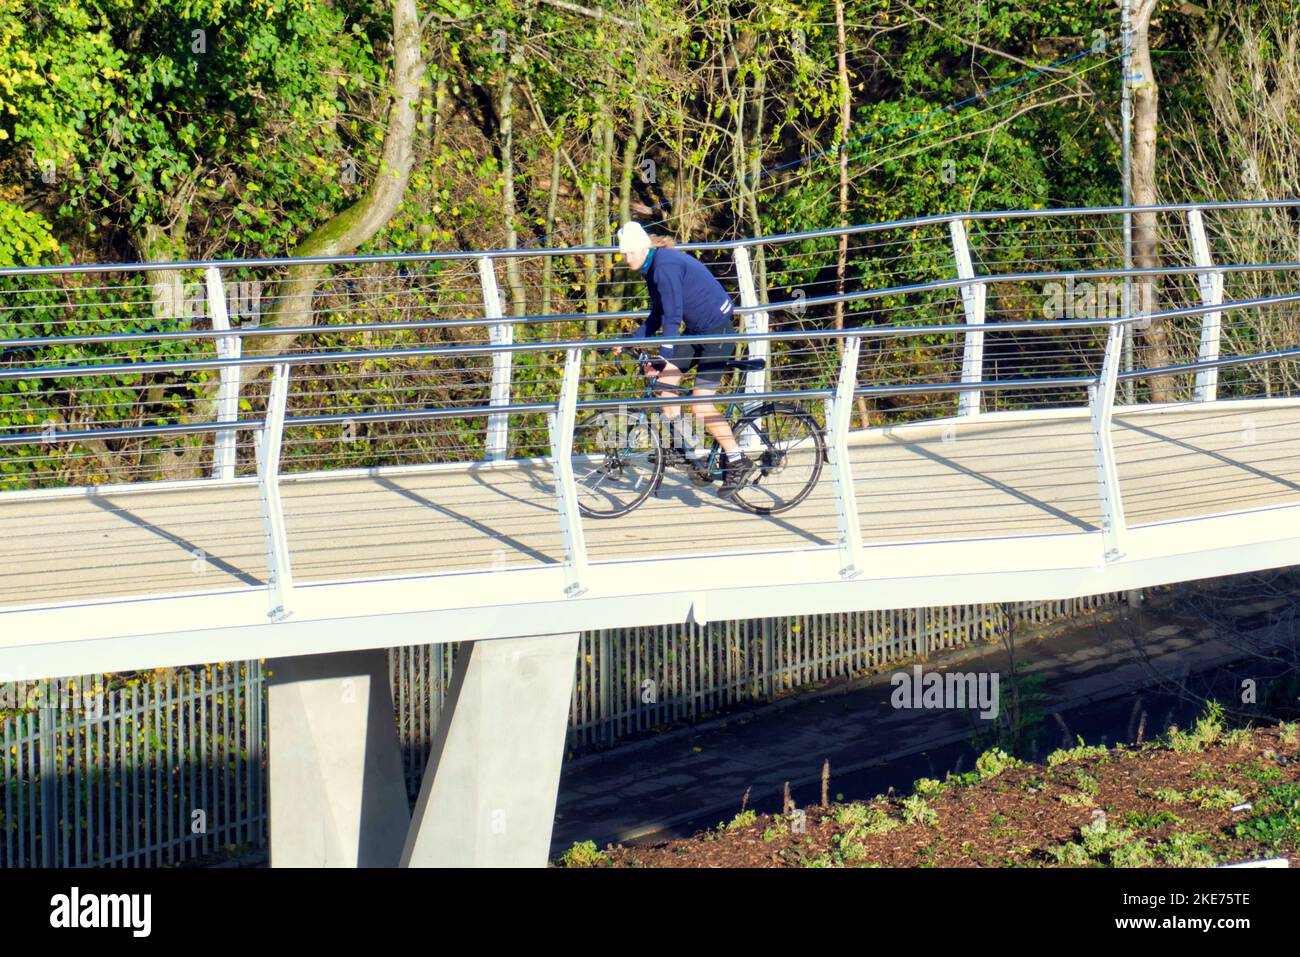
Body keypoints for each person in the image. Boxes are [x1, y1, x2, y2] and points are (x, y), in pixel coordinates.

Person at [611, 220, 758, 499]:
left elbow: (673, 315)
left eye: (630, 252)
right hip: (696, 331)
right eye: (623, 253)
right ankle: (684, 449)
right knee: (662, 381)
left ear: (643, 247)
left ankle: (738, 459)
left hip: (717, 334)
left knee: (700, 405)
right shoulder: (651, 266)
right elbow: (658, 313)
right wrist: (631, 340)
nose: (626, 257)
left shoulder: (664, 267)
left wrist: (665, 355)